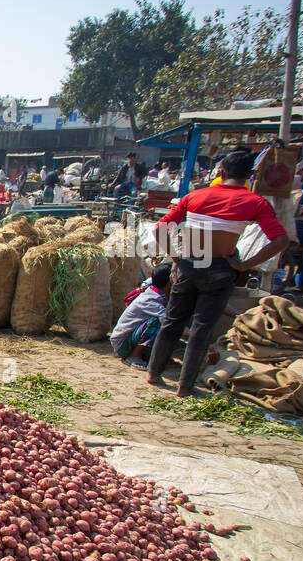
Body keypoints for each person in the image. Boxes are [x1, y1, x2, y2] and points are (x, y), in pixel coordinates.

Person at [146, 150, 289, 398]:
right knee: (202, 328)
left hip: (189, 265)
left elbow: (159, 228)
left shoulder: (195, 196)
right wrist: (245, 265)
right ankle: (184, 387)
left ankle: (153, 374)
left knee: (172, 322)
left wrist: (176, 257)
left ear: (221, 171)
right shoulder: (255, 202)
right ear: (250, 175)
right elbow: (280, 240)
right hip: (221, 269)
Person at [112, 262, 172, 367]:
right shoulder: (150, 300)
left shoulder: (159, 294)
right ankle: (134, 355)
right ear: (169, 284)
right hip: (123, 344)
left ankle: (151, 354)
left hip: (135, 337)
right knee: (159, 322)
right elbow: (169, 322)